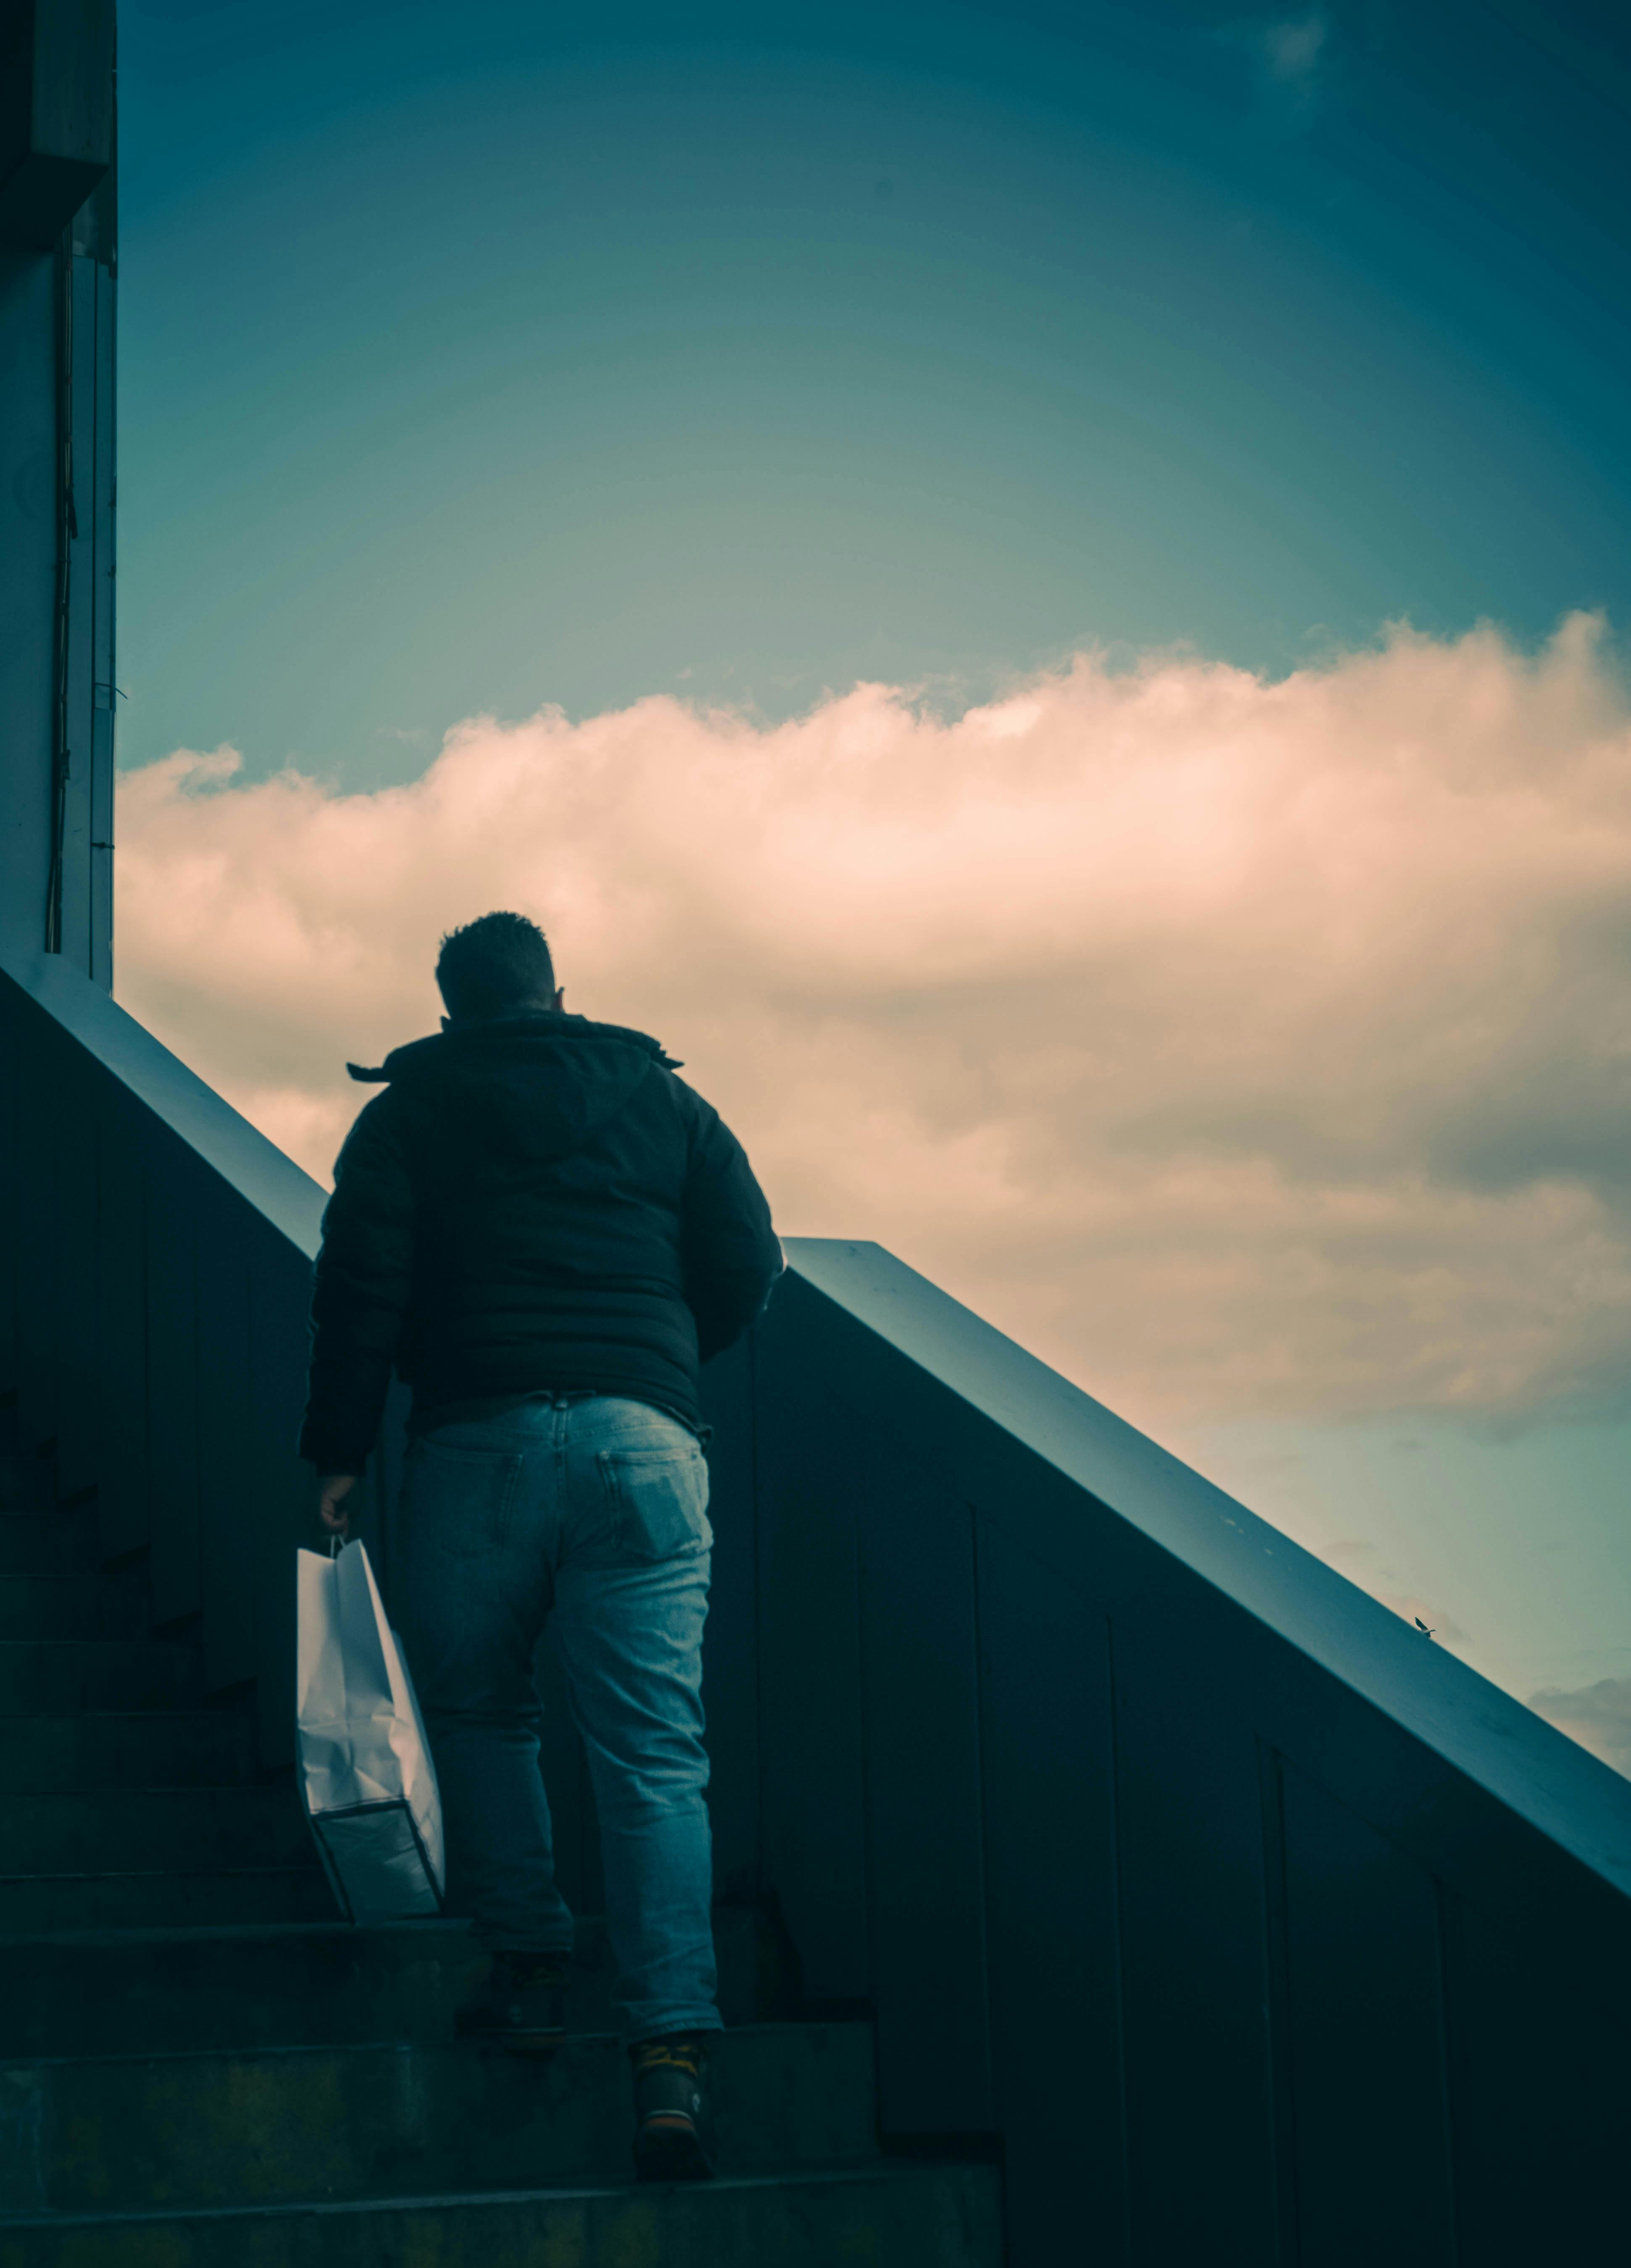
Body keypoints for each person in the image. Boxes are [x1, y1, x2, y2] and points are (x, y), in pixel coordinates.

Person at [298, 911, 783, 2181]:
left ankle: (527, 1971)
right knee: (655, 1753)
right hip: (645, 1442)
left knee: (483, 1710)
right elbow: (750, 1258)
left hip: (478, 1439)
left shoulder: (405, 1117)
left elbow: (359, 1290)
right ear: (560, 993)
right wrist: (658, 1370)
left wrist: (339, 1454)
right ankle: (671, 2051)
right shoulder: (666, 1100)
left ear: (452, 1010)